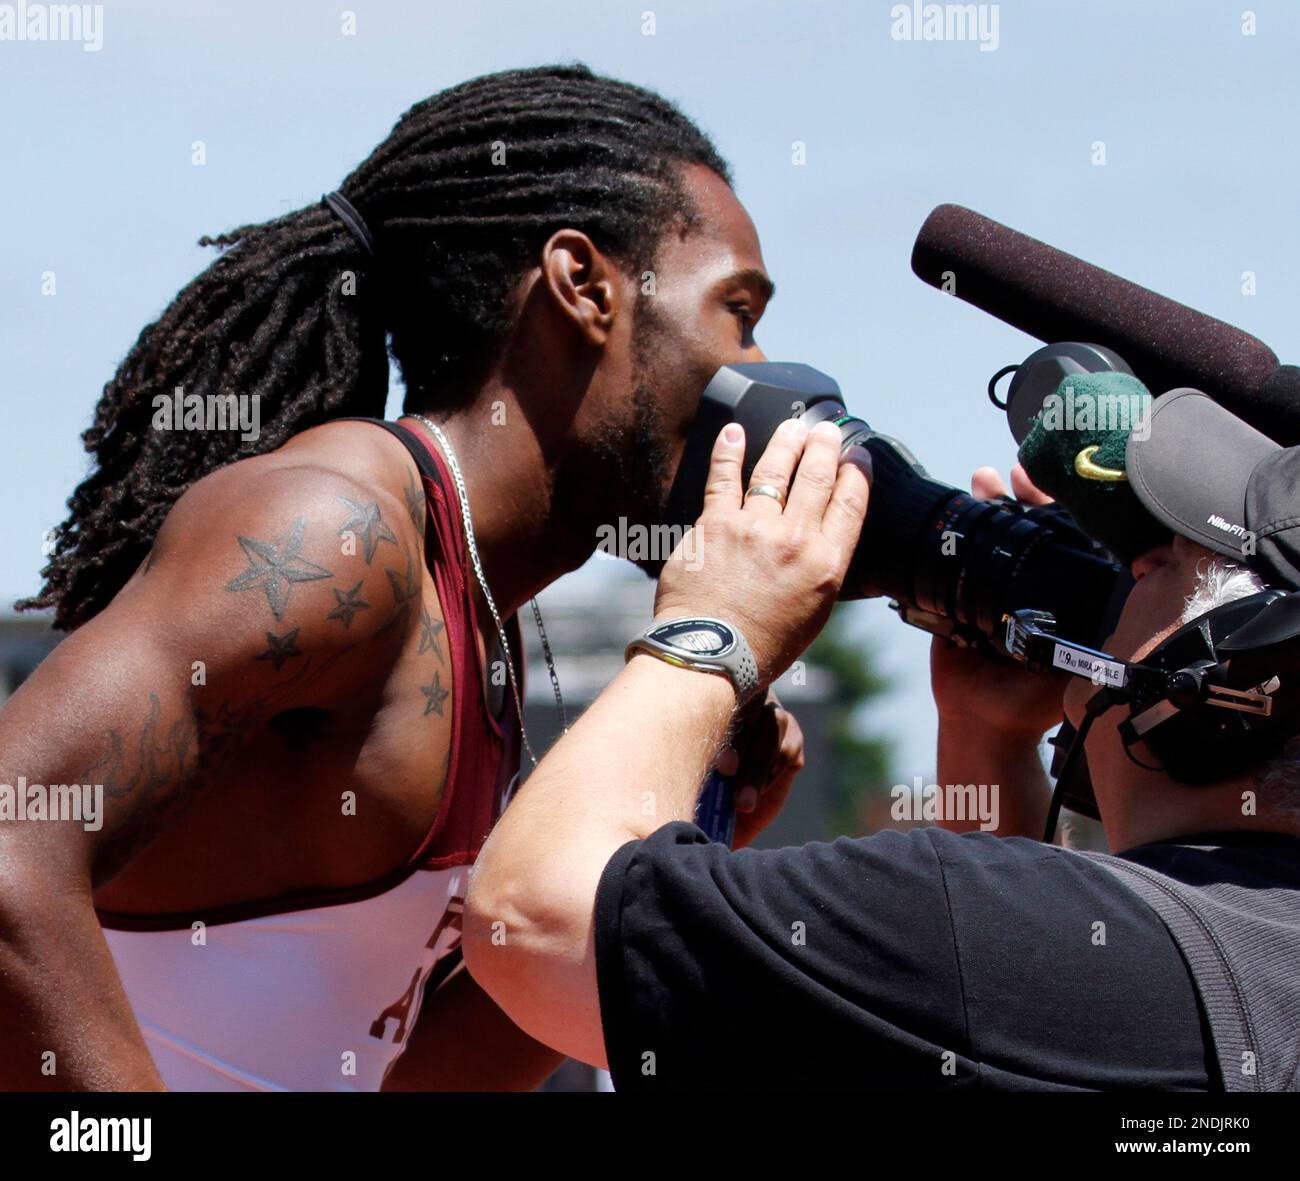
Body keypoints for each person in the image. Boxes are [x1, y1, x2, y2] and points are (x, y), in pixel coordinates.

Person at [0, 63, 802, 1091]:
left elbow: (414, 1075)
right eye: (736, 309)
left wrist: (683, 812)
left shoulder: (483, 618)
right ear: (584, 286)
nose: (760, 366)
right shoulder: (335, 530)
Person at [463, 388, 1300, 1091]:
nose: (1120, 581)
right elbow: (1005, 1028)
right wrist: (988, 742)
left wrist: (715, 623)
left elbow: (533, 922)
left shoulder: (986, 930)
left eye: (1158, 560)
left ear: (1223, 682)